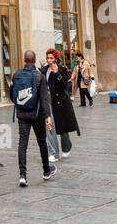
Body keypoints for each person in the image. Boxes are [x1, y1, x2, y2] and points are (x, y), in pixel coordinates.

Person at [10, 49, 56, 187]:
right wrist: (48, 116)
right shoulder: (39, 76)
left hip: (22, 114)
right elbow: (44, 98)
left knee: (22, 144)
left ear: (24, 60)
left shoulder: (16, 75)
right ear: (35, 60)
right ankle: (46, 171)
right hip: (37, 114)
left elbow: (12, 95)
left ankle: (22, 175)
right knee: (42, 141)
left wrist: (21, 105)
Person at [40, 48, 80, 159]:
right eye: (47, 58)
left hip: (60, 102)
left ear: (56, 58)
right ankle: (53, 152)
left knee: (62, 128)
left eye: (51, 58)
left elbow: (65, 86)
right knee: (49, 126)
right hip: (48, 101)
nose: (49, 60)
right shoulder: (44, 70)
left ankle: (67, 147)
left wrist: (57, 73)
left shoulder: (62, 69)